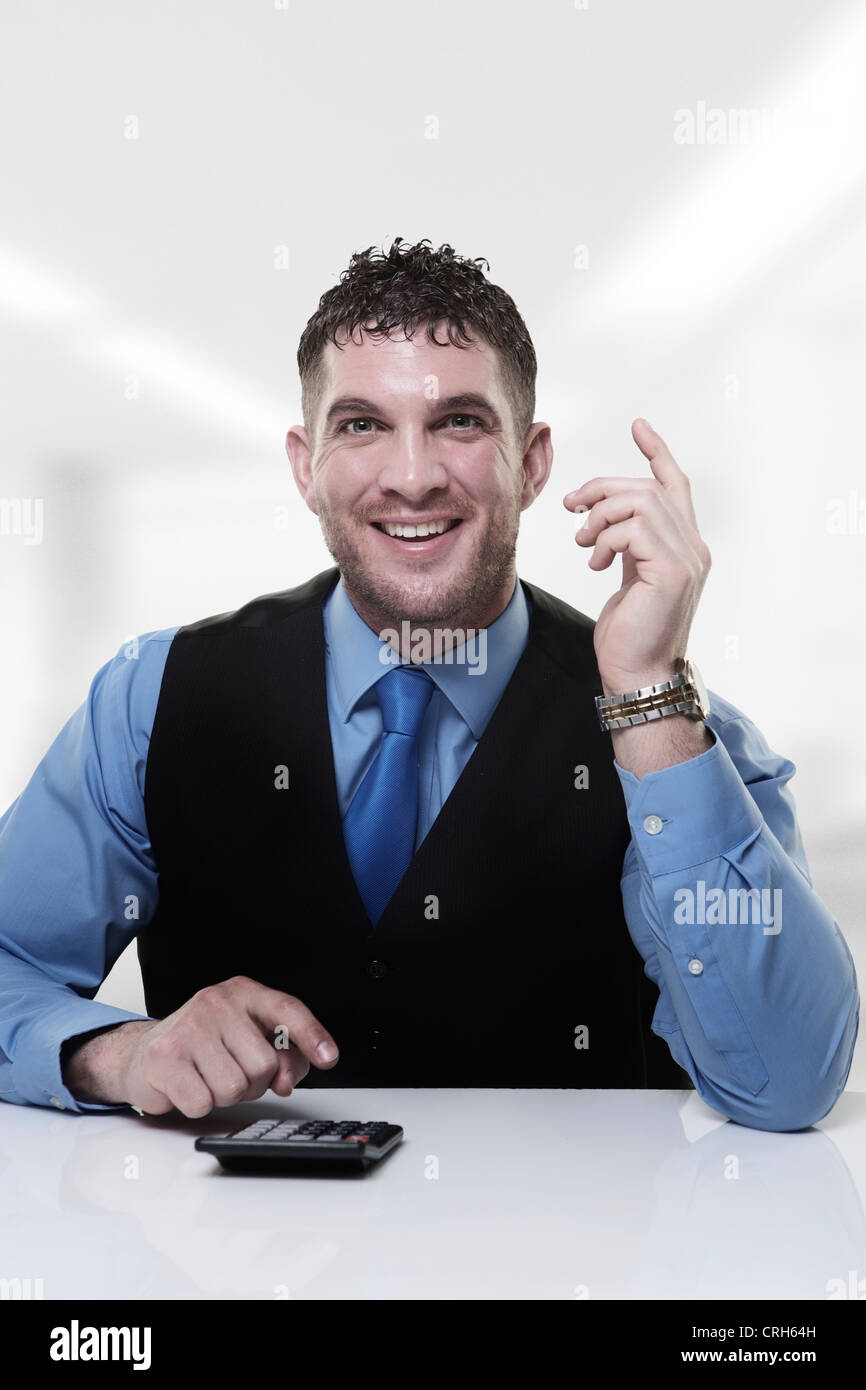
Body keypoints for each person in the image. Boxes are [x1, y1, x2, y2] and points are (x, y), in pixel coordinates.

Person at [0, 239, 858, 1131]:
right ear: (306, 466)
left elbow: (787, 1081)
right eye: (362, 425)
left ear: (530, 464)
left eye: (460, 422)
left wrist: (647, 692)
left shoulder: (677, 731)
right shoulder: (153, 700)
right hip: (238, 1266)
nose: (413, 477)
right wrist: (120, 1051)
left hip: (562, 1266)